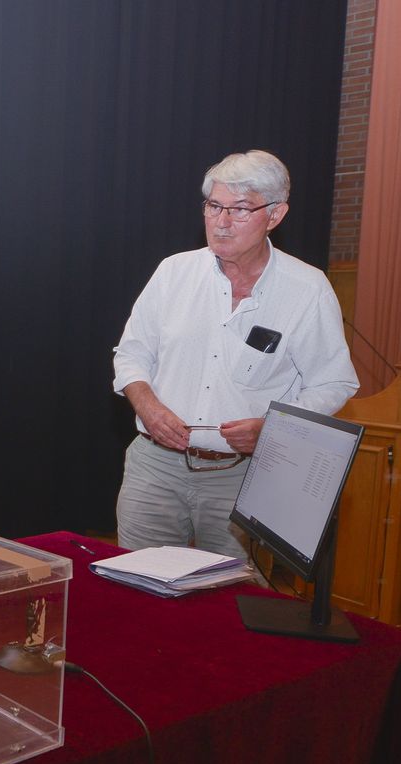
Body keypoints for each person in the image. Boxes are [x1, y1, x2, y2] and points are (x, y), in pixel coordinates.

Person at [112, 149, 358, 558]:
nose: (221, 223)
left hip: (245, 476)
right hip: (154, 469)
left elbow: (335, 383)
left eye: (240, 210)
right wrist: (149, 406)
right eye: (214, 206)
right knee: (138, 592)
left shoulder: (307, 289)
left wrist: (273, 427)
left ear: (275, 215)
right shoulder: (174, 272)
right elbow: (131, 353)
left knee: (234, 602)